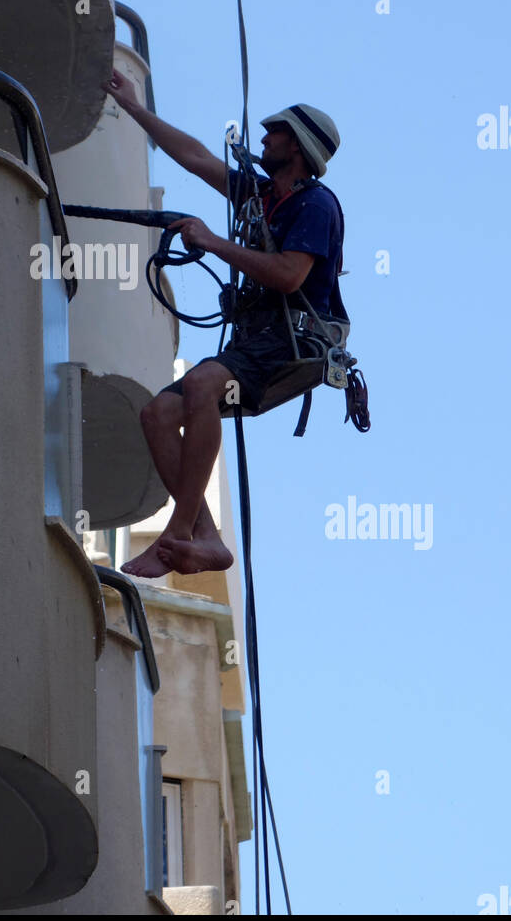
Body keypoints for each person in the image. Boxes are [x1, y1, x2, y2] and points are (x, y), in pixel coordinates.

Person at [103, 70, 344, 579]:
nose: (263, 137)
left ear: (296, 147)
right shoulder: (261, 196)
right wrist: (134, 110)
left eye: (275, 132)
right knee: (156, 416)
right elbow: (195, 158)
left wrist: (212, 241)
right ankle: (206, 536)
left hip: (291, 340)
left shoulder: (315, 205)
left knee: (202, 383)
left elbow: (287, 275)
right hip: (255, 341)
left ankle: (179, 531)